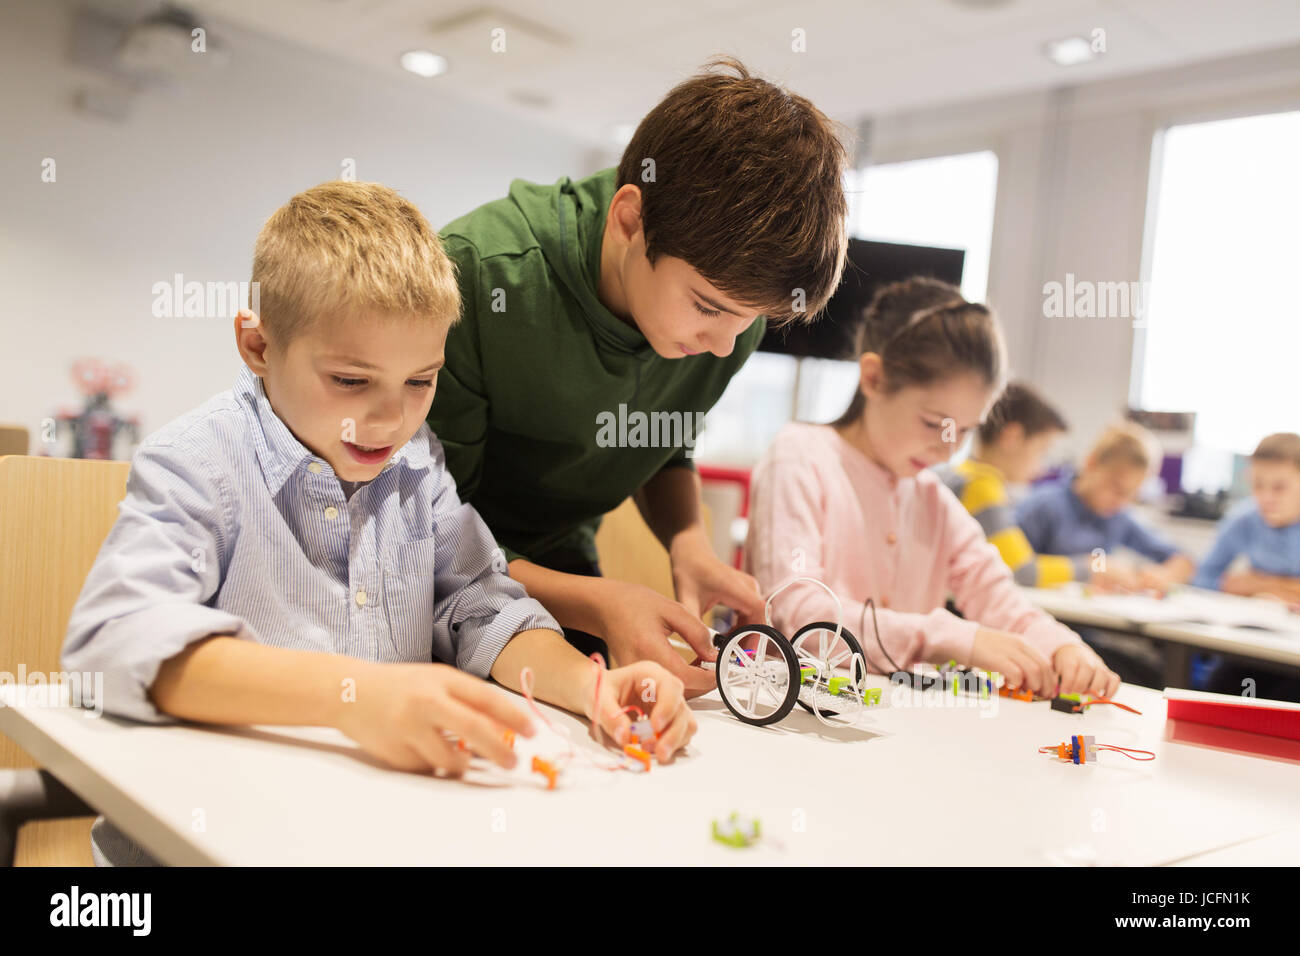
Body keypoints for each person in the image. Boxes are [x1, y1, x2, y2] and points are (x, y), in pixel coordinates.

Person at [62, 181, 694, 865]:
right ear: (258, 346)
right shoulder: (197, 464)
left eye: (420, 382)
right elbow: (111, 643)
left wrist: (594, 689)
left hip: (360, 836)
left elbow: (483, 607)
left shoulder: (416, 466)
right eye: (352, 381)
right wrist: (353, 697)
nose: (391, 419)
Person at [425, 57, 850, 695]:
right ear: (629, 220)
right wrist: (599, 602)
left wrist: (689, 544)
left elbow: (663, 434)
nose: (724, 345)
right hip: (432, 593)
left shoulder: (729, 316)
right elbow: (419, 533)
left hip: (567, 577)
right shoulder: (478, 278)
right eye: (707, 308)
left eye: (750, 322)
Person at [745, 278, 1118, 698]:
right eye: (933, 424)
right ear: (874, 378)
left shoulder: (931, 497)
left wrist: (1063, 646)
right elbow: (798, 613)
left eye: (965, 431)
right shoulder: (801, 456)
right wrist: (952, 637)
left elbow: (999, 598)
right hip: (794, 716)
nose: (948, 451)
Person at [937, 382, 1075, 587]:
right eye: (1041, 451)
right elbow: (1021, 571)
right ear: (1013, 436)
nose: (1041, 468)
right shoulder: (980, 484)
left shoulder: (957, 475)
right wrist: (1092, 568)